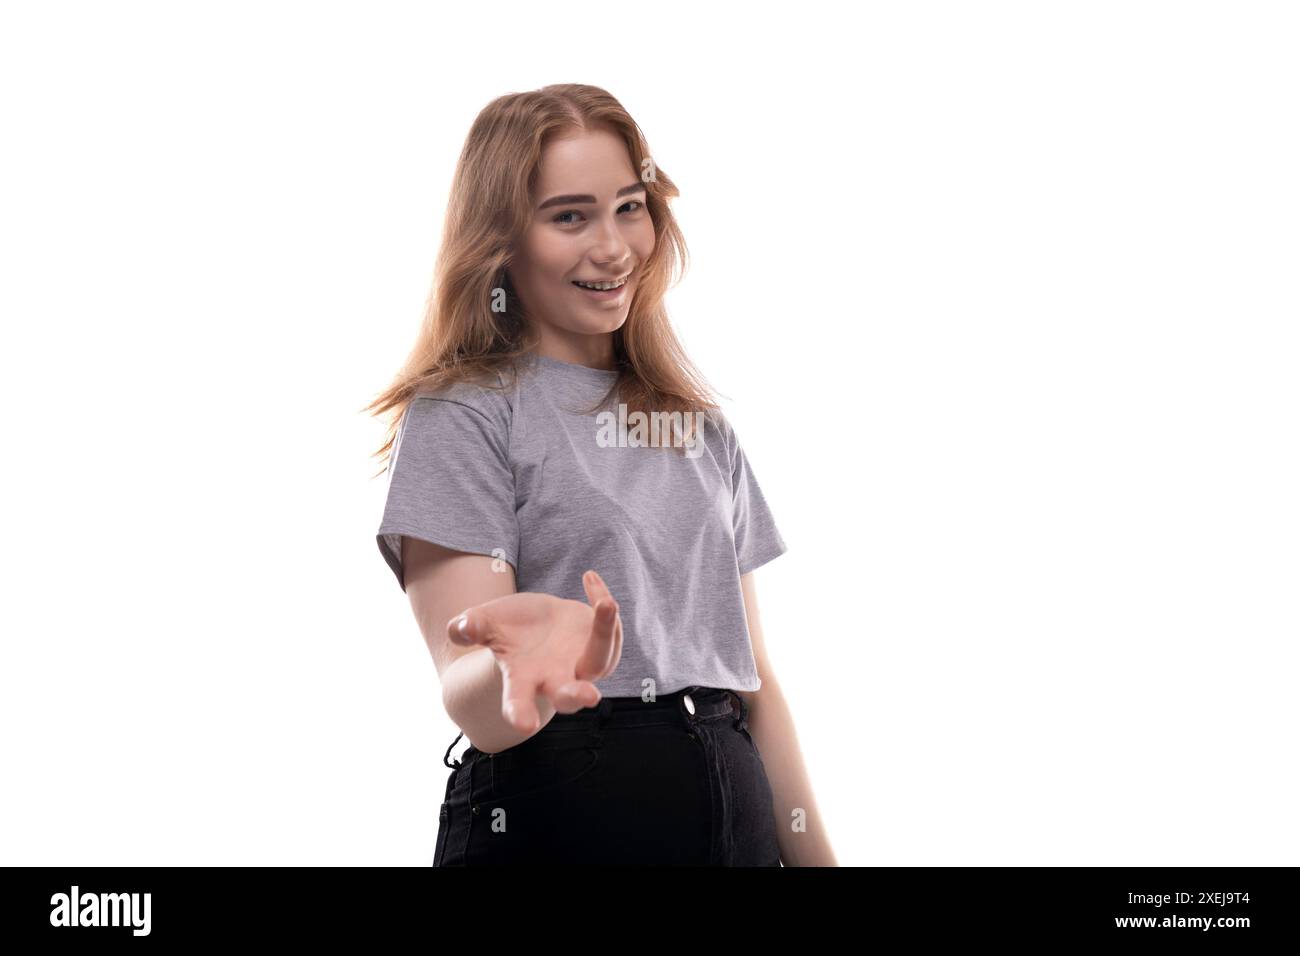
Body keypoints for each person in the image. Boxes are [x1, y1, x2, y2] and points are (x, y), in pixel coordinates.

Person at [365, 84, 836, 866]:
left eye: (629, 206)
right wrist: (521, 665)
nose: (614, 246)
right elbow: (472, 695)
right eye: (569, 216)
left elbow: (757, 686)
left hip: (733, 808)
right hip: (560, 811)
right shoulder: (465, 413)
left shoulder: (697, 425)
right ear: (503, 239)